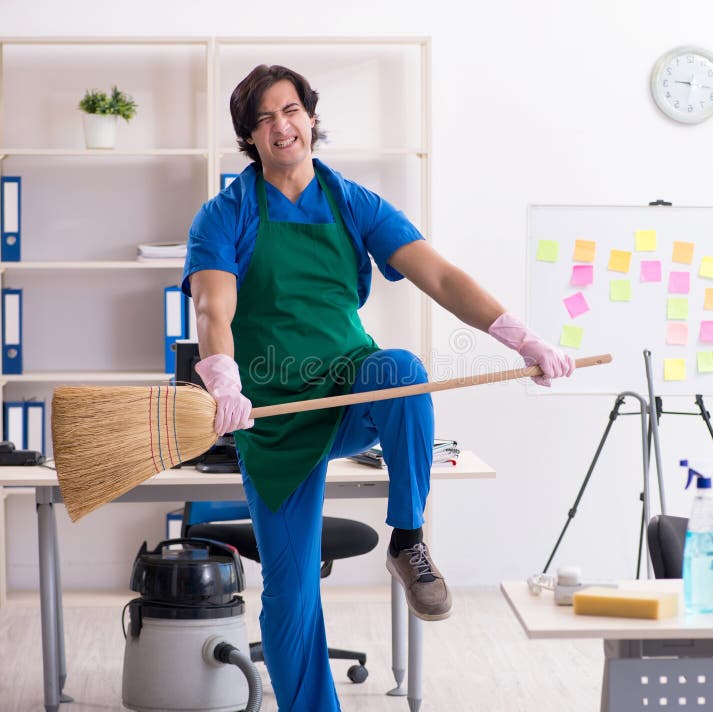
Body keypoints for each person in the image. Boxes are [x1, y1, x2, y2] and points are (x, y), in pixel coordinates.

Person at [182, 64, 574, 711]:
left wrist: (522, 337)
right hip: (271, 420)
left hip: (347, 395)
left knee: (401, 369)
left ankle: (408, 539)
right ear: (248, 136)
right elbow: (211, 309)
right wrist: (222, 373)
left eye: (291, 110)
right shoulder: (225, 215)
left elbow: (441, 278)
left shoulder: (349, 202)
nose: (282, 126)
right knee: (291, 591)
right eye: (264, 118)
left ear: (310, 116)